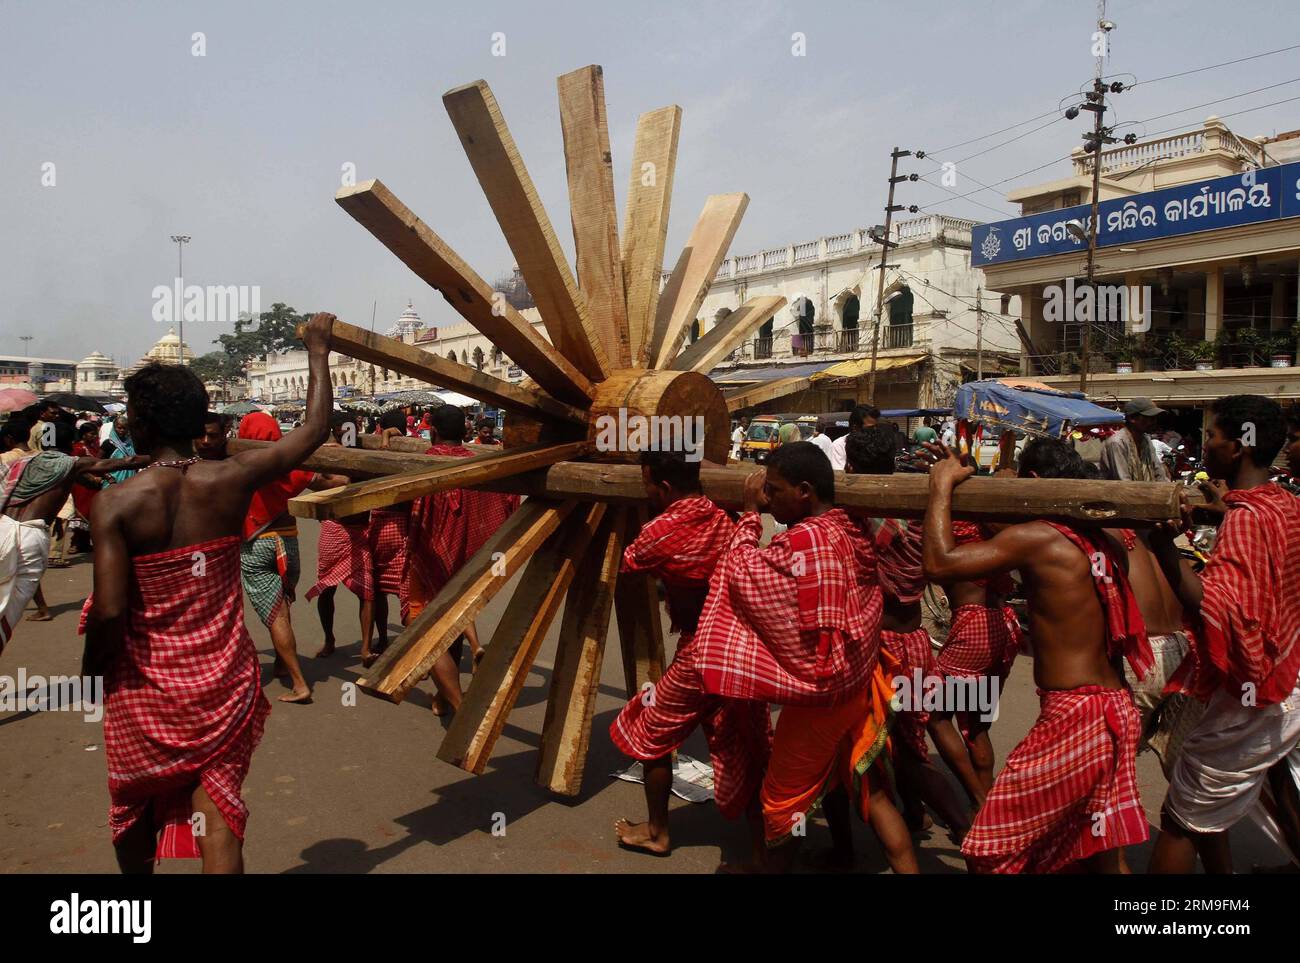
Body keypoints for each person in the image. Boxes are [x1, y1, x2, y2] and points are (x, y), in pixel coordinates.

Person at [80, 319, 333, 873]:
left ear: (137, 423)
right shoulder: (230, 478)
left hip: (145, 687)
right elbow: (314, 428)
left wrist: (90, 673)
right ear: (200, 421)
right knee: (217, 810)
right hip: (221, 681)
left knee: (134, 809)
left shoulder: (117, 504)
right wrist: (317, 349)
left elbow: (112, 609)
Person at [924, 436, 1153, 873]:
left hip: (1074, 715)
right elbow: (997, 533)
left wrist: (939, 488)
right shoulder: (1105, 537)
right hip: (1114, 708)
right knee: (1096, 847)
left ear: (1032, 483)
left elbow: (939, 564)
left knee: (988, 848)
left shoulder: (1038, 539)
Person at [694, 443, 915, 873]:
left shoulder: (805, 539)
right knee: (874, 794)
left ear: (805, 491)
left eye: (774, 491)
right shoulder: (853, 528)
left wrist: (747, 515)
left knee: (781, 802)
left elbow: (741, 575)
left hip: (824, 694)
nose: (767, 498)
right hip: (857, 679)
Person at [1147, 395, 1300, 874]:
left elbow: (1220, 609)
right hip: (1290, 669)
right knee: (1280, 783)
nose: (1204, 444)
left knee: (1182, 818)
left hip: (1261, 688)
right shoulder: (1281, 503)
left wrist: (1165, 549)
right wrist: (1224, 508)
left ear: (1237, 448)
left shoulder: (1247, 520)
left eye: (1211, 436)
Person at [610, 450, 770, 859]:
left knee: (652, 731)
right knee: (747, 743)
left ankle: (659, 833)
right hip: (741, 645)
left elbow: (629, 563)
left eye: (647, 483)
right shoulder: (724, 514)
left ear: (661, 487)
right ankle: (764, 850)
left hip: (702, 648)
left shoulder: (659, 531)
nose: (644, 490)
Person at [844, 427, 972, 842]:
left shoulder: (856, 517)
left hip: (883, 649)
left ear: (850, 467)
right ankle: (918, 816)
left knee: (907, 753)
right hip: (915, 640)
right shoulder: (924, 506)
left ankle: (968, 828)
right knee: (917, 734)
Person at [406, 404, 516, 714]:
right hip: (472, 562)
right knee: (452, 625)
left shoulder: (428, 462)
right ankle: (443, 698)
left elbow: (416, 515)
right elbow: (504, 504)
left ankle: (458, 704)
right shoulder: (478, 462)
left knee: (431, 632)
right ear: (465, 432)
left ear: (433, 432)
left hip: (434, 561)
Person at [1, 422, 143, 652]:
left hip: (4, 528)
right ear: (71, 443)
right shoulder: (71, 463)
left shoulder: (24, 462)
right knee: (11, 610)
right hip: (30, 535)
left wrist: (103, 482)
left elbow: (86, 480)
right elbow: (125, 462)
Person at [236, 411, 348, 704]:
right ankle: (283, 663)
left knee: (277, 615)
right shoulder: (291, 464)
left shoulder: (237, 465)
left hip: (256, 544)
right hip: (288, 543)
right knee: (283, 606)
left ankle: (300, 684)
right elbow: (334, 482)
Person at [306, 413, 377, 665]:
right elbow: (315, 481)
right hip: (335, 528)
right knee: (327, 587)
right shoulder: (327, 454)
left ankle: (366, 648)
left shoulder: (367, 452)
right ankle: (329, 639)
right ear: (335, 431)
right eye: (341, 429)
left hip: (360, 528)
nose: (347, 433)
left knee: (367, 590)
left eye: (351, 428)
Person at [1099, 397, 1169, 482]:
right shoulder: (1117, 443)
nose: (1153, 422)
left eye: (1154, 418)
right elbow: (1123, 480)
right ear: (1132, 418)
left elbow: (1159, 473)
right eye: (1149, 418)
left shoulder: (1146, 440)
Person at [830, 404, 879, 471]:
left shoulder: (880, 443)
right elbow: (839, 476)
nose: (875, 430)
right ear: (855, 427)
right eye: (870, 428)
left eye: (876, 427)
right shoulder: (839, 445)